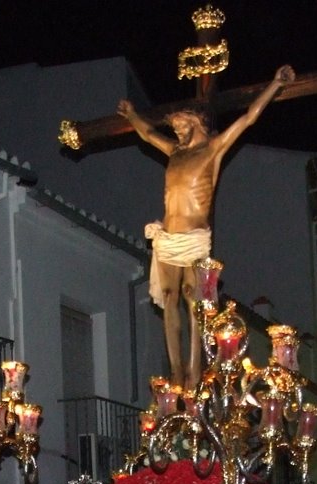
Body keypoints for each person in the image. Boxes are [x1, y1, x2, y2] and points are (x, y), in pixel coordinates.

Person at [118, 66, 294, 388]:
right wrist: (131, 115)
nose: (177, 132)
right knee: (169, 297)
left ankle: (195, 368)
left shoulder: (213, 148)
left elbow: (248, 118)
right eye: (175, 129)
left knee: (192, 298)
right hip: (168, 237)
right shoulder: (174, 152)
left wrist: (275, 84)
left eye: (181, 126)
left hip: (195, 238)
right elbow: (147, 134)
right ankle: (176, 370)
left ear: (196, 122)